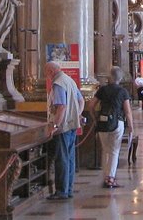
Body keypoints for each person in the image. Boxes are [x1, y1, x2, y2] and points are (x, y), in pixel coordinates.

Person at [45, 60, 85, 200]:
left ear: (51, 71)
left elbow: (61, 107)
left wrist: (55, 125)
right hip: (72, 125)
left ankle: (62, 191)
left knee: (61, 158)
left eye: (46, 72)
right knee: (69, 157)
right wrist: (77, 114)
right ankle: (68, 189)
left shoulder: (58, 84)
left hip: (63, 127)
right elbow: (81, 101)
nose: (46, 76)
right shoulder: (70, 80)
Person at [94, 66, 135, 190]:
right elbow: (127, 111)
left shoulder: (102, 90)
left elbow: (91, 105)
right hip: (117, 122)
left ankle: (106, 176)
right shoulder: (123, 91)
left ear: (109, 77)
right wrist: (131, 126)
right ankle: (110, 178)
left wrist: (95, 117)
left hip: (102, 122)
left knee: (105, 150)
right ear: (120, 78)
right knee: (114, 151)